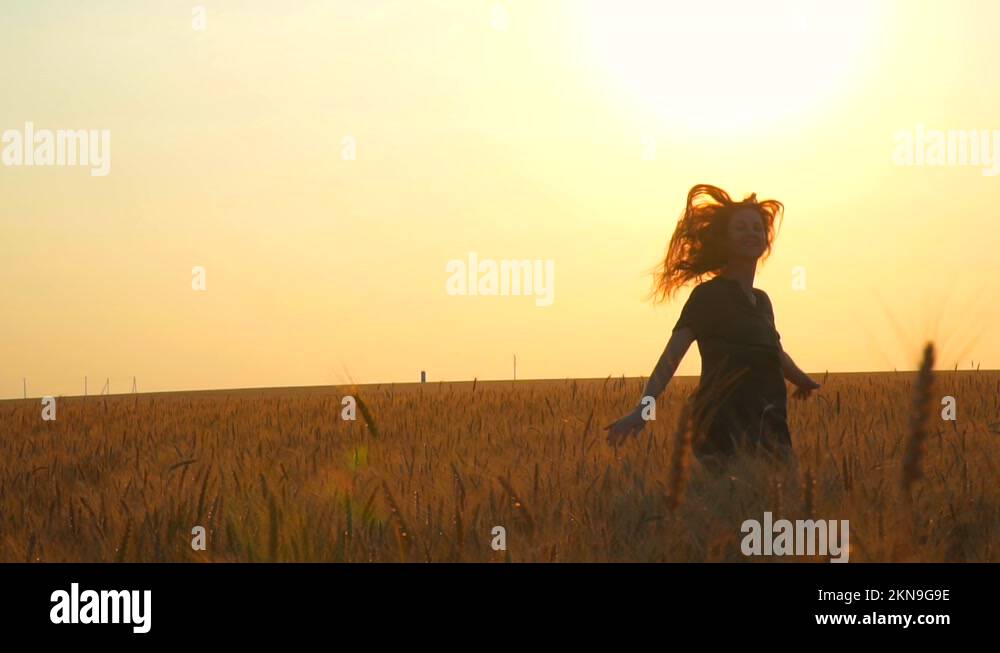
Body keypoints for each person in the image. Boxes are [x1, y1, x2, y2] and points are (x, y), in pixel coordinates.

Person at [605, 183, 820, 470]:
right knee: (726, 506)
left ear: (767, 240)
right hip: (721, 428)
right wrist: (642, 412)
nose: (751, 233)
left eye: (757, 228)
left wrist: (802, 379)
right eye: (741, 228)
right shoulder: (708, 296)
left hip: (770, 426)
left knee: (775, 507)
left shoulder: (762, 301)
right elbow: (671, 358)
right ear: (725, 240)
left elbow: (774, 352)